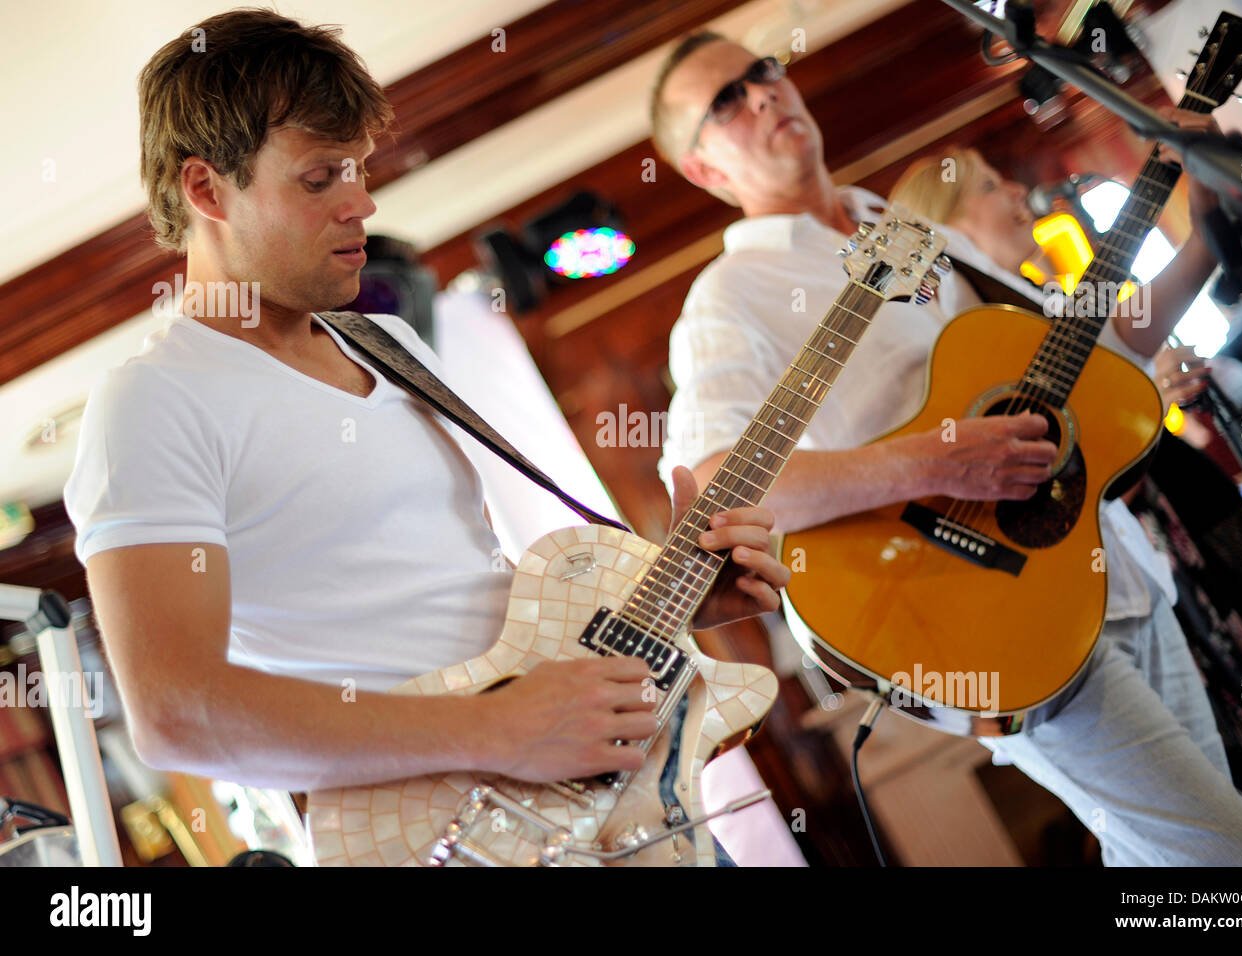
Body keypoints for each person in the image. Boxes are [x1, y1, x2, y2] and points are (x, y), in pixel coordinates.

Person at [62, 10, 791, 862]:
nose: (362, 202)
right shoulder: (152, 400)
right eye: (319, 178)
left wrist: (678, 602)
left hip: (592, 814)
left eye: (359, 170)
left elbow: (466, 607)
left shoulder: (391, 344)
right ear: (205, 189)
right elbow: (174, 714)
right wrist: (492, 729)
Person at [651, 29, 1242, 865]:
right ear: (701, 170)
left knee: (1171, 863)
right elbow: (725, 489)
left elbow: (1090, 356)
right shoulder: (730, 296)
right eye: (726, 102)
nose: (762, 95)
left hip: (1110, 569)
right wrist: (942, 463)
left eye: (762, 72)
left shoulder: (905, 230)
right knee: (1238, 858)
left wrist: (1206, 238)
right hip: (984, 618)